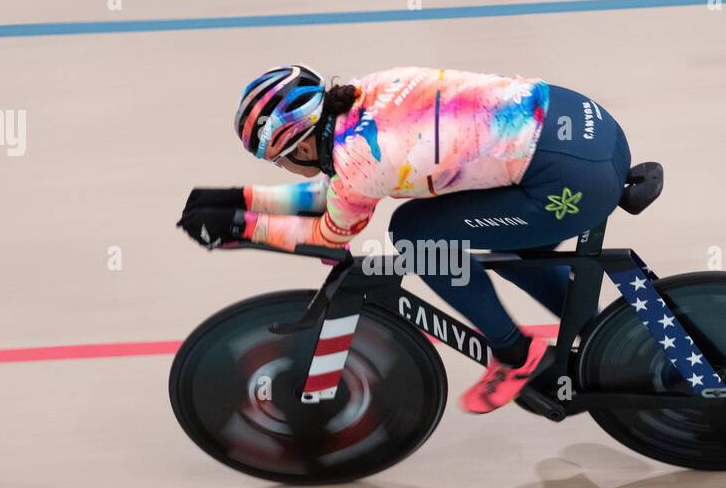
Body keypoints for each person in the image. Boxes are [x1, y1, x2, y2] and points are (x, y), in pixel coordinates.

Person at [179, 65, 631, 413]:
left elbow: (329, 234)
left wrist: (242, 225)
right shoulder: (361, 95)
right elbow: (333, 193)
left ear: (299, 147)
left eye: (278, 162)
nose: (281, 169)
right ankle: (609, 336)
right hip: (583, 130)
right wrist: (239, 198)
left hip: (569, 182)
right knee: (504, 237)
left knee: (417, 236)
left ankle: (518, 353)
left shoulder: (358, 159)